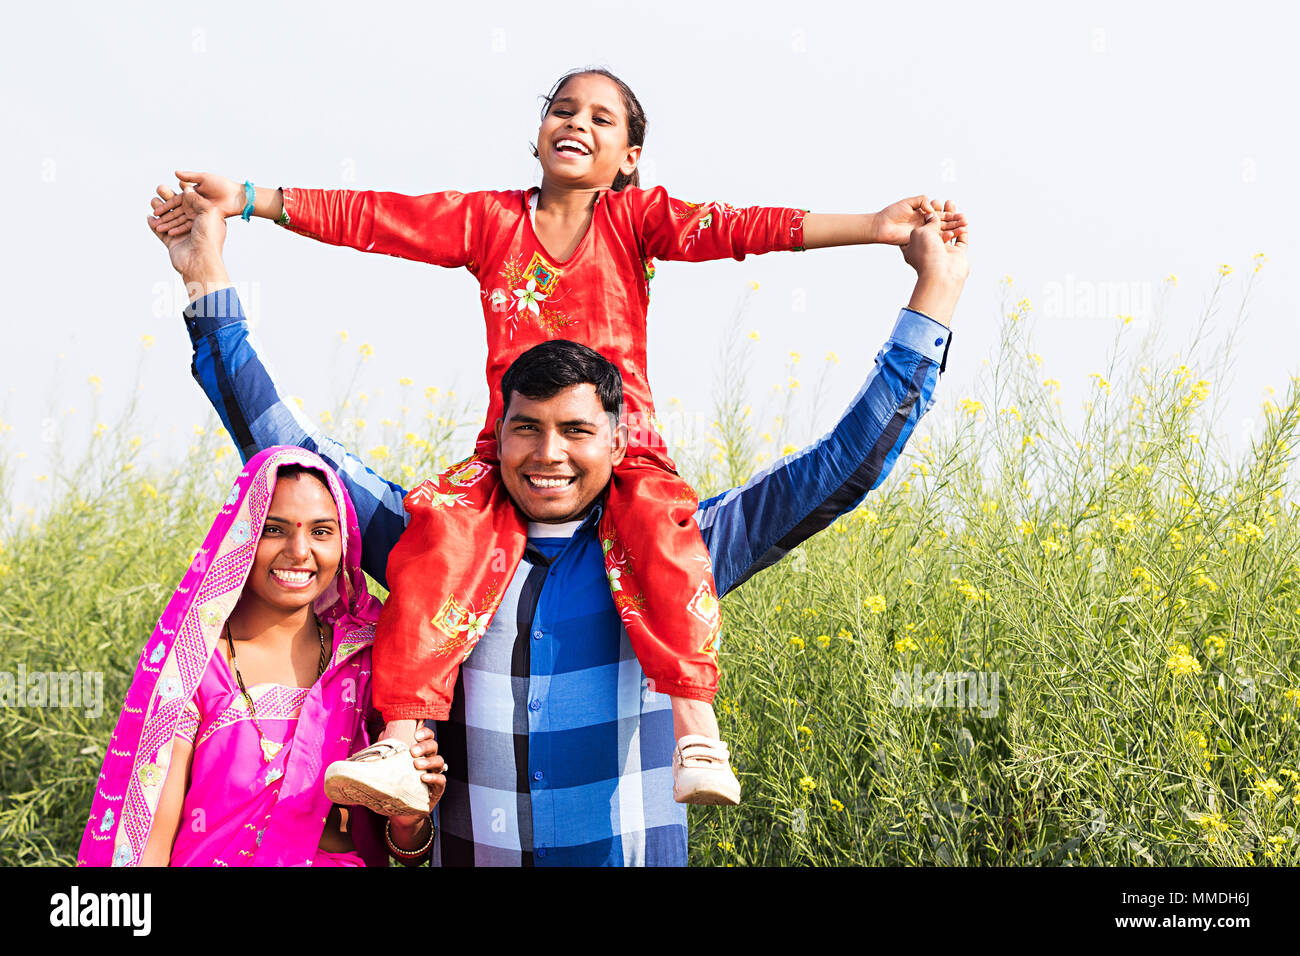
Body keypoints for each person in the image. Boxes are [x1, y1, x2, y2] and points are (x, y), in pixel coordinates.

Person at [150, 67, 970, 812]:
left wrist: (883, 234)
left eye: (603, 118)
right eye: (562, 108)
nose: (577, 123)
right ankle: (399, 745)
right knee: (438, 534)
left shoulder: (638, 220)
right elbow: (377, 220)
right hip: (485, 474)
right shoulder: (488, 223)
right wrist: (245, 206)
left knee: (664, 534)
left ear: (631, 155)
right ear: (538, 131)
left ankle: (697, 729)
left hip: (639, 460)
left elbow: (744, 229)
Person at [76, 444, 441, 866]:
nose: (299, 551)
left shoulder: (364, 662)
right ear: (242, 537)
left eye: (321, 532)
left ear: (344, 543)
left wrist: (409, 819)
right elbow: (148, 843)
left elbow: (409, 853)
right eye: (274, 529)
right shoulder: (194, 666)